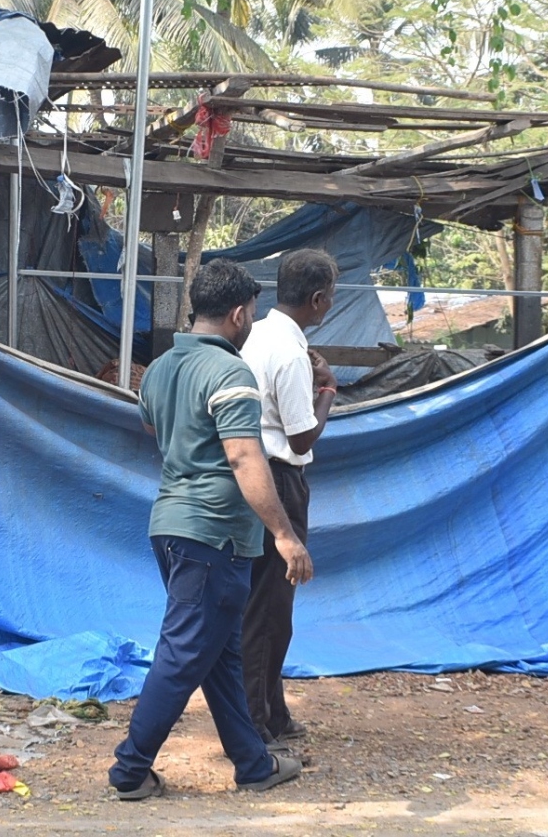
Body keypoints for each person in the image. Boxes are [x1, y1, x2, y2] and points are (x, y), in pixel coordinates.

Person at [108, 258, 314, 800]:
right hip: (214, 533)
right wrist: (285, 535)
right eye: (252, 315)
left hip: (170, 525)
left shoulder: (158, 370)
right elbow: (245, 457)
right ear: (239, 314)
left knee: (220, 653)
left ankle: (253, 763)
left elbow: (152, 425)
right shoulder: (229, 372)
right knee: (183, 654)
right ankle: (129, 769)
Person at [238, 249, 339, 751]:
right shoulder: (291, 353)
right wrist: (328, 390)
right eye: (330, 297)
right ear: (318, 300)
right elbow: (301, 438)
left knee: (264, 602)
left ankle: (272, 712)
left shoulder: (255, 334)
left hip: (249, 474)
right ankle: (255, 723)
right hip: (279, 479)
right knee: (271, 609)